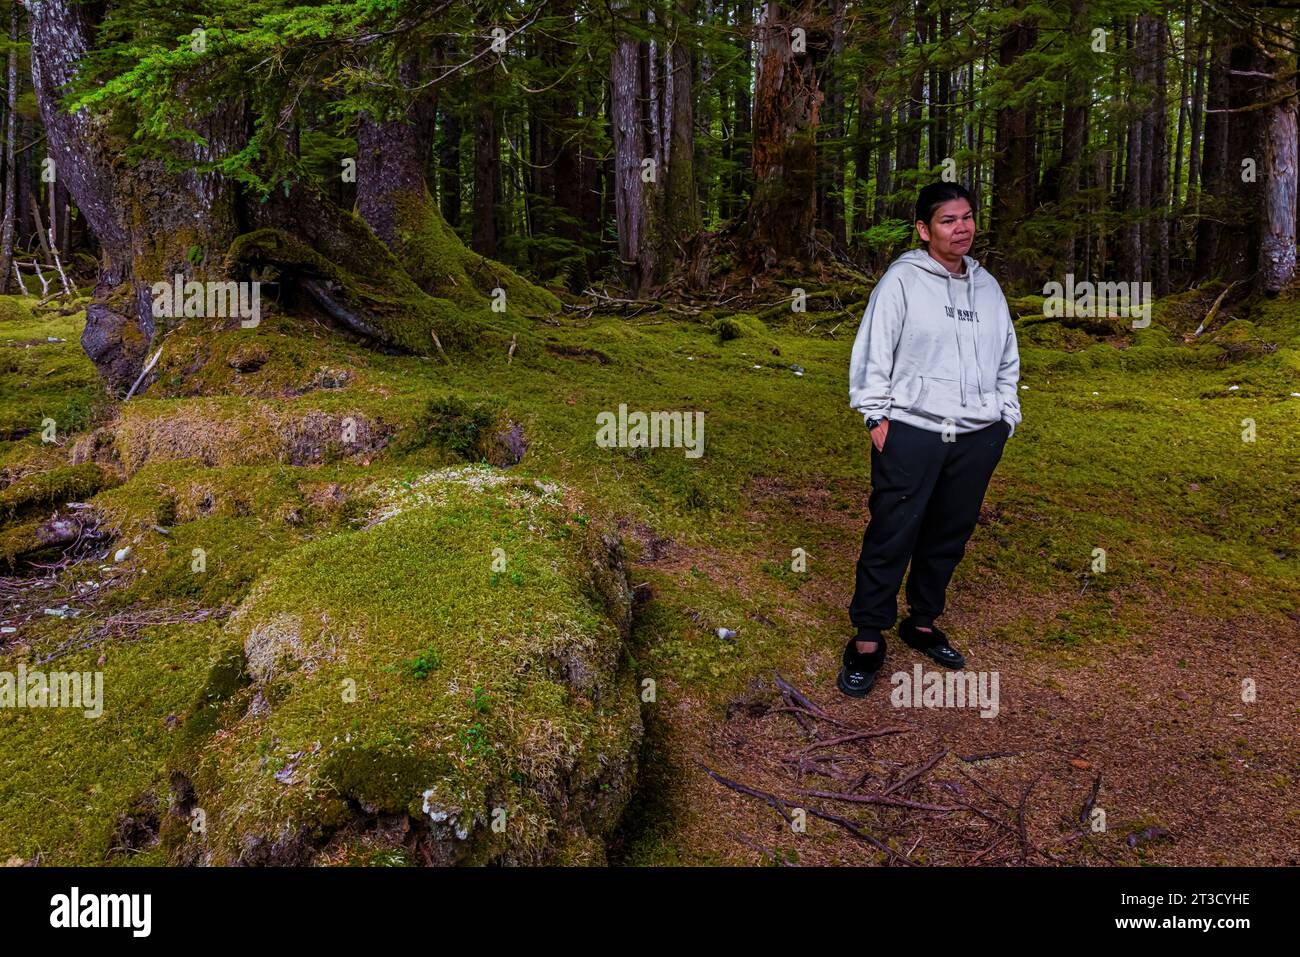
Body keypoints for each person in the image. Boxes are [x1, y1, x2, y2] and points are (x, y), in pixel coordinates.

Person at [839, 181, 1022, 698]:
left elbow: (1007, 356)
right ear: (924, 230)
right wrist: (877, 417)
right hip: (912, 431)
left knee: (948, 531)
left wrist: (1005, 417)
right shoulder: (902, 282)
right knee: (893, 530)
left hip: (977, 436)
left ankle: (921, 622)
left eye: (966, 217)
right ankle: (869, 636)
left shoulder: (987, 287)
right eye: (947, 220)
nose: (961, 228)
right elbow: (874, 350)